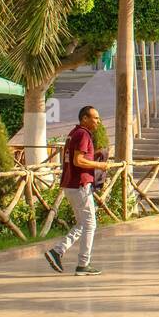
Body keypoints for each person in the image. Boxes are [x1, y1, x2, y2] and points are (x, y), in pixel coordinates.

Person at [46, 105, 112, 276]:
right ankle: (83, 264)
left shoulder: (74, 133)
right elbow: (78, 161)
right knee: (90, 224)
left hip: (71, 184)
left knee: (83, 224)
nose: (98, 121)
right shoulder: (83, 134)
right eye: (95, 118)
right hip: (80, 185)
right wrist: (100, 165)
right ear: (85, 118)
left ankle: (57, 251)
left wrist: (94, 155)